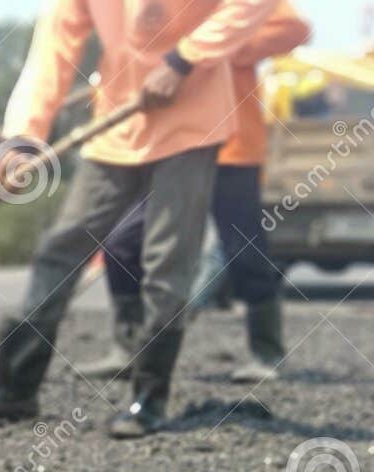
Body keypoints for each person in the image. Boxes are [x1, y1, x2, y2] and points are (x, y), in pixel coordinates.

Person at [0, 0, 279, 439]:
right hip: (119, 121)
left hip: (190, 121)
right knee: (61, 246)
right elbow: (54, 47)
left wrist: (184, 59)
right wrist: (24, 136)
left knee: (167, 261)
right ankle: (14, 389)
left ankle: (150, 400)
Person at [80, 2, 310, 384]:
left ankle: (267, 353)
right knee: (121, 240)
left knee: (244, 246)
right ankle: (128, 348)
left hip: (231, 143)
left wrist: (222, 48)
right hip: (168, 142)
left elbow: (295, 29)